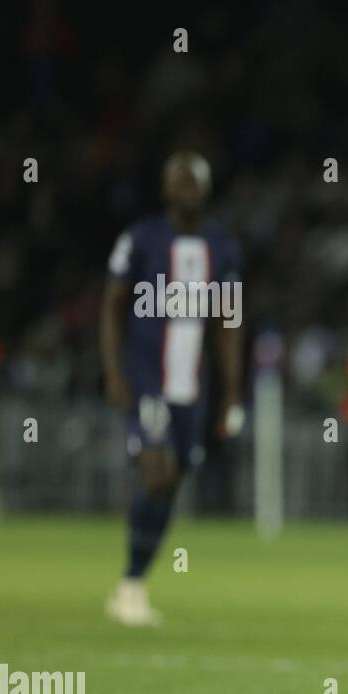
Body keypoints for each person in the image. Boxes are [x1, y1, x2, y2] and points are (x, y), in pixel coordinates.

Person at [100, 152, 244, 625]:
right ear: (164, 190)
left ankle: (131, 583)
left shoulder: (222, 247)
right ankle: (131, 586)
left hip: (192, 388)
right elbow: (112, 307)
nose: (187, 190)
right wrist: (116, 374)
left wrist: (230, 395)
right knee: (157, 474)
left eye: (194, 182)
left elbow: (228, 323)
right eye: (178, 182)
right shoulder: (141, 239)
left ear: (206, 189)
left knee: (170, 484)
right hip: (147, 381)